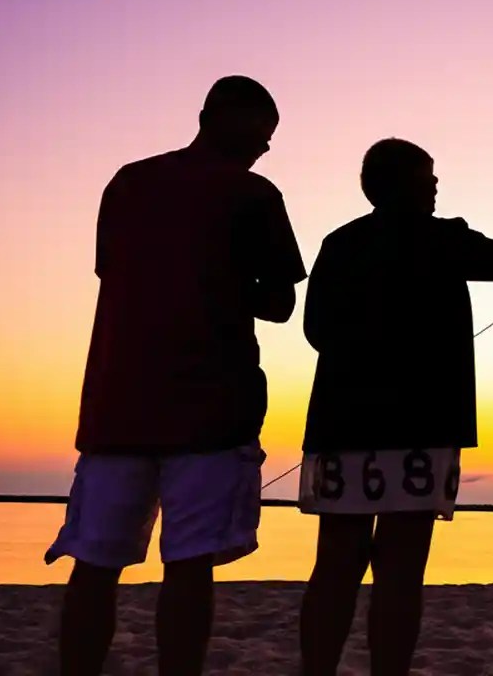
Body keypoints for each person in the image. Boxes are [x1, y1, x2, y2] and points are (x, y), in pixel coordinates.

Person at [45, 76, 307, 676]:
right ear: (234, 129)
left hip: (117, 406)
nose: (261, 151)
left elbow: (108, 269)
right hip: (211, 410)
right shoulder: (254, 194)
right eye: (261, 139)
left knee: (95, 563)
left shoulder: (129, 182)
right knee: (189, 564)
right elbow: (281, 303)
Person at [297, 138, 493, 676]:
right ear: (407, 185)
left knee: (336, 565)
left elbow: (315, 330)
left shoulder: (340, 243)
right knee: (400, 568)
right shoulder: (442, 238)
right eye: (428, 176)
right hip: (422, 426)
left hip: (343, 423)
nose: (436, 184)